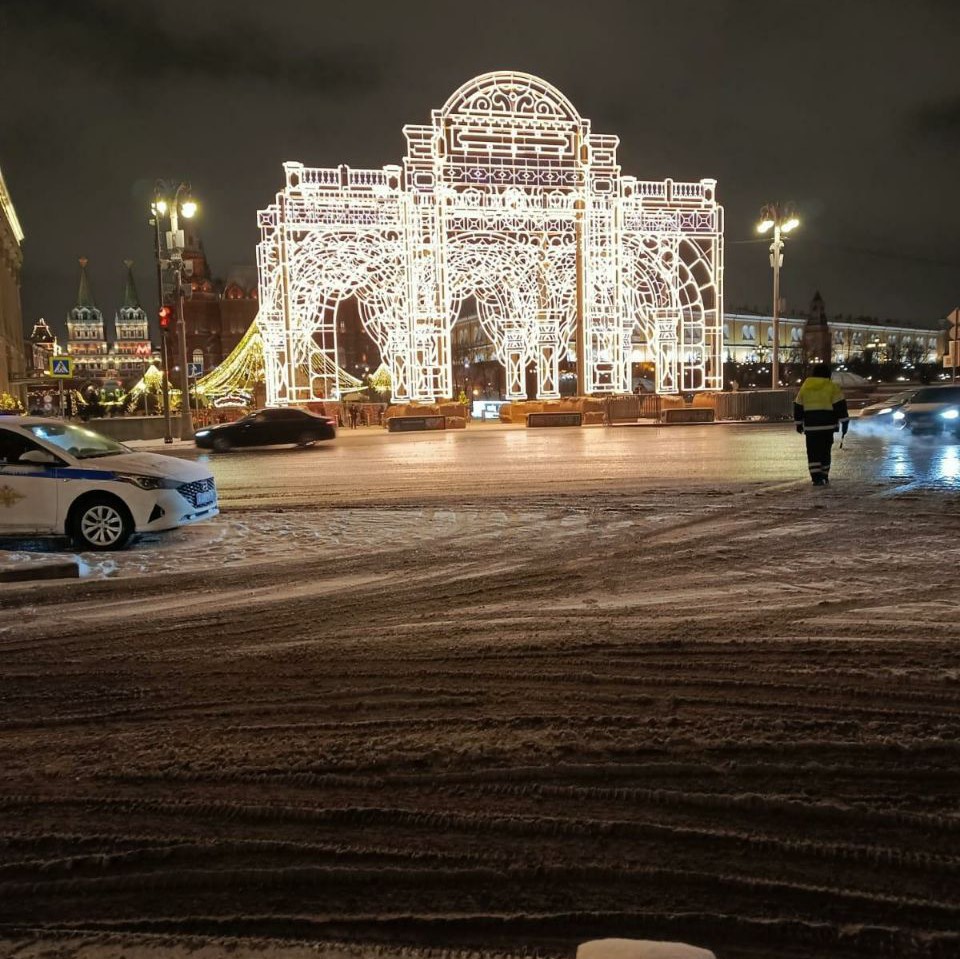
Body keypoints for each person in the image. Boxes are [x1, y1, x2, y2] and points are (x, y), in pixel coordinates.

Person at [793, 363, 849, 486]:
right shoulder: (832, 387)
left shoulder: (805, 387)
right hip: (827, 427)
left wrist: (798, 423)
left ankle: (816, 478)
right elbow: (840, 406)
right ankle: (824, 475)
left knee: (813, 452)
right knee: (825, 451)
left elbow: (798, 406)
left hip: (811, 427)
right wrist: (845, 422)